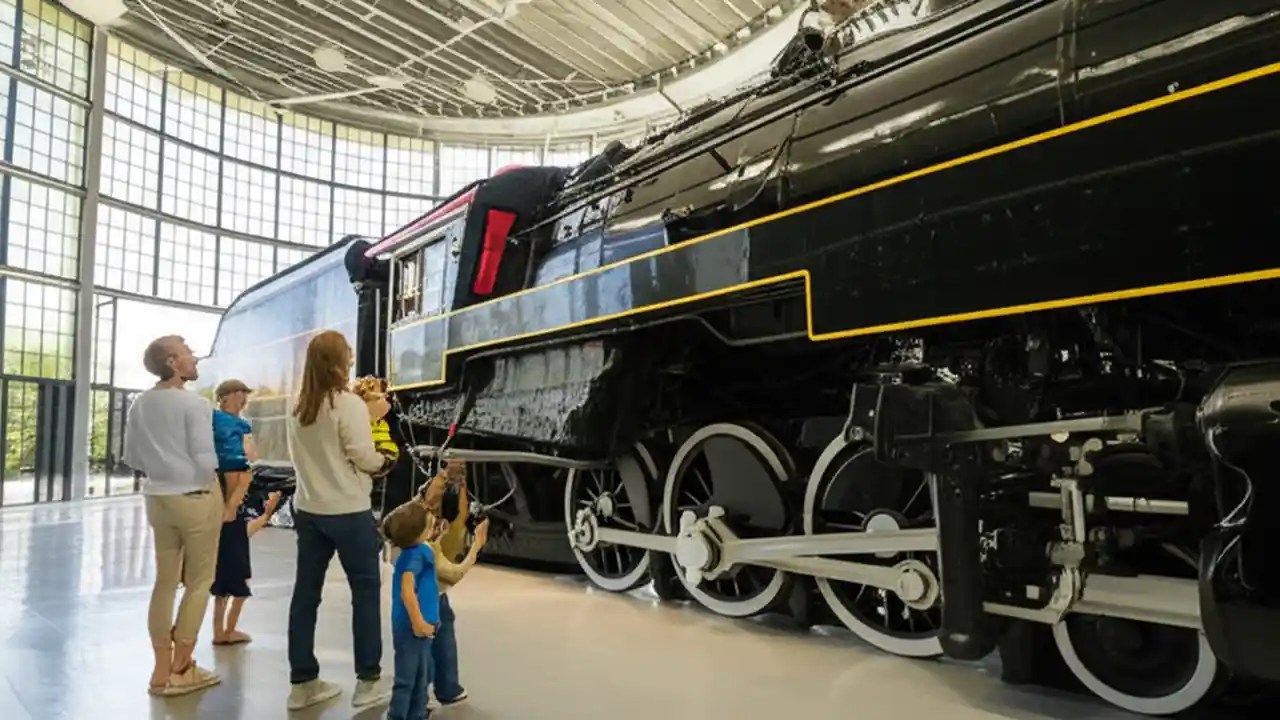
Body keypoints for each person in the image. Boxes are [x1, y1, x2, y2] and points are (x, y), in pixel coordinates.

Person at [285, 330, 396, 711]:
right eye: (347, 355)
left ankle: (302, 683)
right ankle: (368, 681)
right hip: (349, 510)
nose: (351, 360)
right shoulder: (347, 404)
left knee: (305, 596)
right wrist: (385, 456)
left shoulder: (298, 407)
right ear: (336, 361)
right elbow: (364, 456)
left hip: (310, 510)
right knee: (365, 593)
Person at [123, 335, 223, 697]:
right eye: (187, 352)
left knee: (165, 582)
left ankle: (160, 669)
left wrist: (163, 464)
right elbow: (204, 458)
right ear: (172, 363)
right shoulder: (194, 405)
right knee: (199, 581)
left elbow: (133, 458)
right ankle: (183, 666)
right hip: (196, 496)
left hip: (158, 498)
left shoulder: (140, 404)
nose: (194, 356)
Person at [420, 460, 487, 710]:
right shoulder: (432, 548)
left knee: (439, 630)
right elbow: (454, 574)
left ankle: (446, 688)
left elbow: (432, 502)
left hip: (429, 593)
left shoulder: (423, 531)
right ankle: (425, 695)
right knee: (427, 639)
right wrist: (477, 546)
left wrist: (447, 477)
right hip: (429, 593)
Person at [209, 378, 263, 645]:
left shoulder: (241, 424)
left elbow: (251, 454)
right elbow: (250, 456)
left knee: (222, 586)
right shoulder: (216, 419)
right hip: (228, 470)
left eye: (244, 394)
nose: (243, 399)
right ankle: (224, 632)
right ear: (225, 397)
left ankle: (223, 631)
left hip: (228, 470)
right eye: (239, 393)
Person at [381, 501, 443, 720]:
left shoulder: (417, 550)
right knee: (408, 677)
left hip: (422, 627)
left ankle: (417, 713)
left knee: (421, 675)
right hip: (413, 628)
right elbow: (407, 592)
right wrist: (418, 623)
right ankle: (397, 715)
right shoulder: (414, 556)